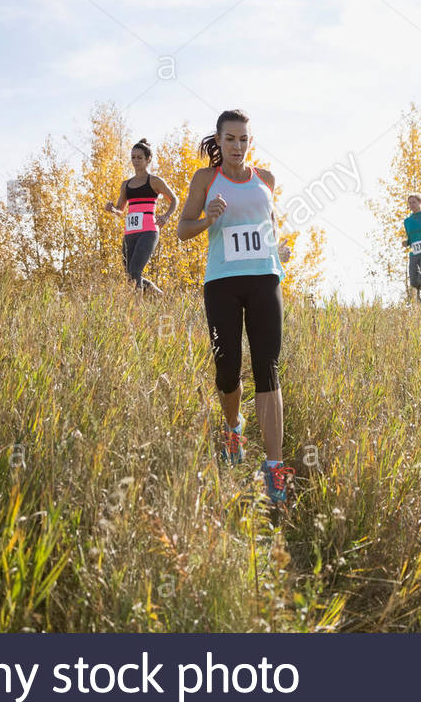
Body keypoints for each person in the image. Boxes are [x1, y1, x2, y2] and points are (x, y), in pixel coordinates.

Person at [176, 109, 295, 504]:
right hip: (222, 283)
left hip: (265, 280)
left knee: (268, 368)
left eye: (244, 139)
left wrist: (279, 251)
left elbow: (269, 226)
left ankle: (274, 469)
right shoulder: (205, 179)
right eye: (230, 139)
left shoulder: (266, 179)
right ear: (219, 140)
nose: (237, 146)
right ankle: (233, 427)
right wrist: (207, 219)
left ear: (250, 141)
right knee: (227, 369)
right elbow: (182, 231)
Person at [105, 138, 176, 295]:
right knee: (130, 277)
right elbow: (120, 209)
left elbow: (174, 200)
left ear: (148, 159)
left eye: (139, 158)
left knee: (135, 272)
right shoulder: (126, 184)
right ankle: (160, 297)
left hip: (149, 231)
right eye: (133, 157)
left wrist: (166, 216)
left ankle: (138, 309)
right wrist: (112, 209)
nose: (135, 161)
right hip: (130, 233)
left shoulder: (155, 181)